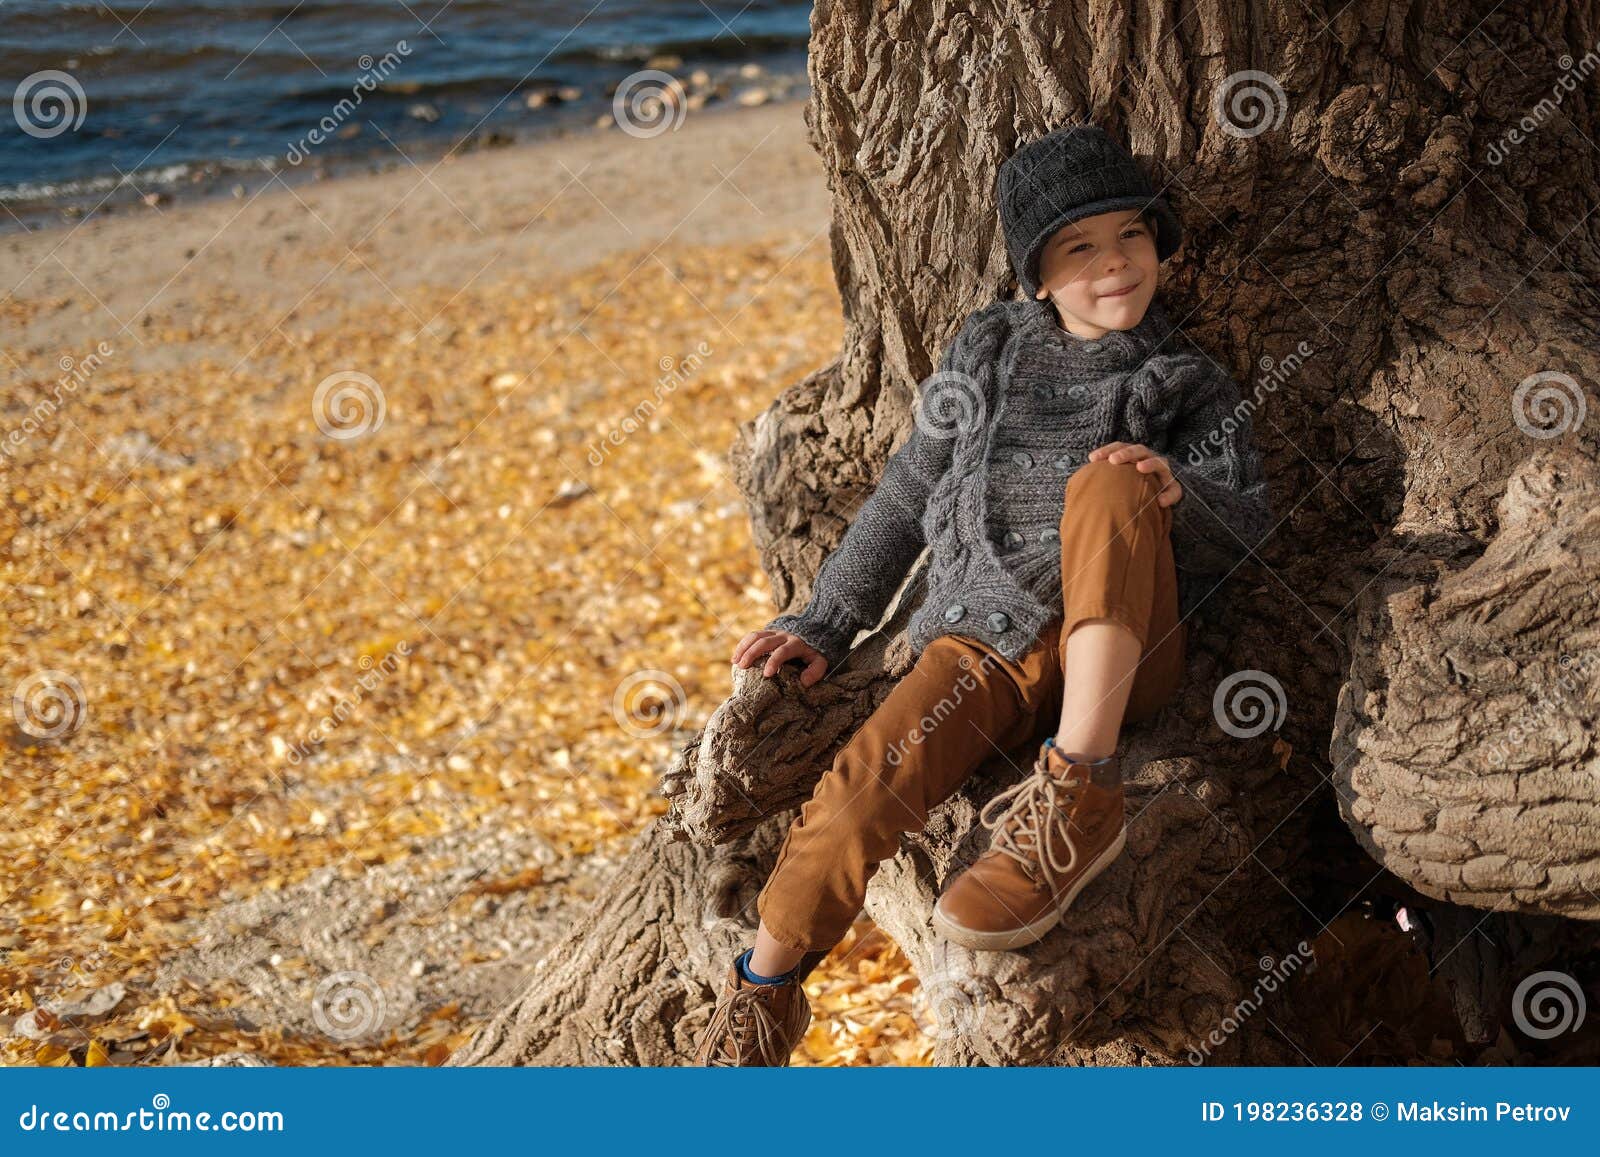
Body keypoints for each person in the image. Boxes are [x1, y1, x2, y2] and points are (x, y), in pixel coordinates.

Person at [693, 123, 1272, 1066]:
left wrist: (1178, 490)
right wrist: (827, 619)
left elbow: (1247, 527)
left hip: (1123, 654)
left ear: (1161, 243)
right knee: (853, 796)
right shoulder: (988, 352)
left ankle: (1080, 797)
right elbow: (909, 491)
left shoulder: (1183, 379)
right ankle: (757, 1003)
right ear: (1037, 275)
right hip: (982, 647)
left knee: (1113, 480)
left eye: (1131, 235)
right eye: (1078, 247)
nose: (1113, 263)